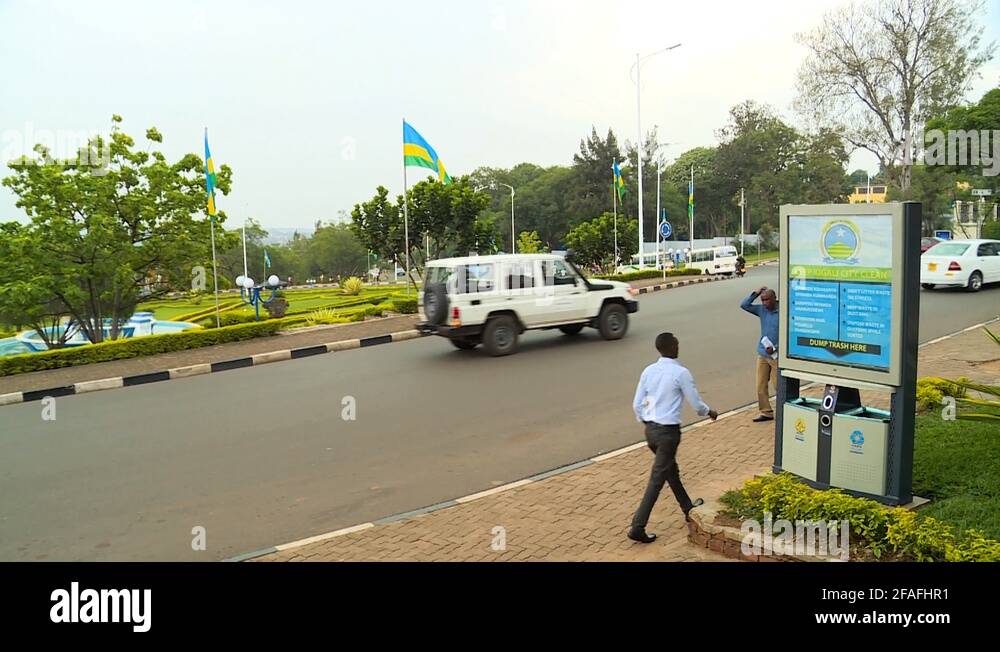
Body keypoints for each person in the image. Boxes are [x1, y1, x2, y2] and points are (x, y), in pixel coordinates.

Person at [629, 333, 719, 544]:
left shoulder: (648, 371)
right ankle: (637, 526)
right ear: (673, 347)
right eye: (676, 344)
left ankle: (687, 506)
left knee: (670, 470)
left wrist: (648, 421)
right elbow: (696, 404)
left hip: (650, 431)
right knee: (657, 479)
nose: (678, 347)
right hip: (668, 433)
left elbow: (636, 404)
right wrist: (710, 412)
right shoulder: (680, 373)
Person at [741, 287, 780, 423]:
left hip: (777, 356)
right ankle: (766, 412)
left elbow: (789, 335)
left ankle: (783, 411)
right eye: (762, 300)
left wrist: (776, 347)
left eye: (767, 300)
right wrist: (756, 293)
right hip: (763, 353)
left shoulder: (783, 312)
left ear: (775, 298)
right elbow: (744, 305)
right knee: (760, 385)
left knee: (778, 386)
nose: (764, 303)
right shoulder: (762, 310)